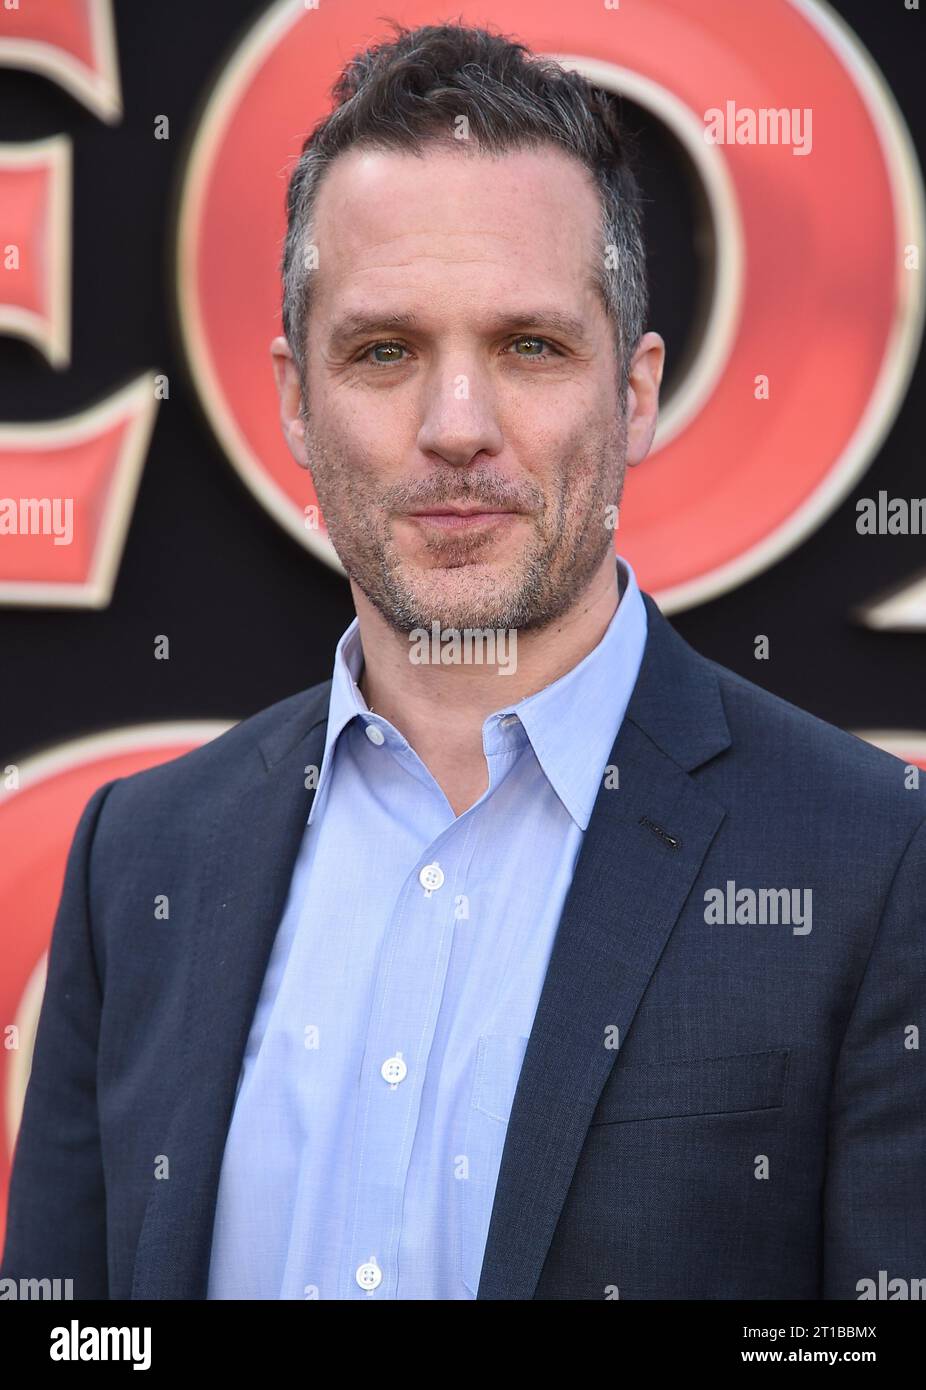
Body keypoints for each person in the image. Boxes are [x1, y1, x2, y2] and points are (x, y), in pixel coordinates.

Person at [3, 21, 925, 1302]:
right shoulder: (140, 859)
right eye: (383, 351)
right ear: (290, 398)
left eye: (528, 347)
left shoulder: (874, 864)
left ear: (637, 390)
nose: (455, 429)